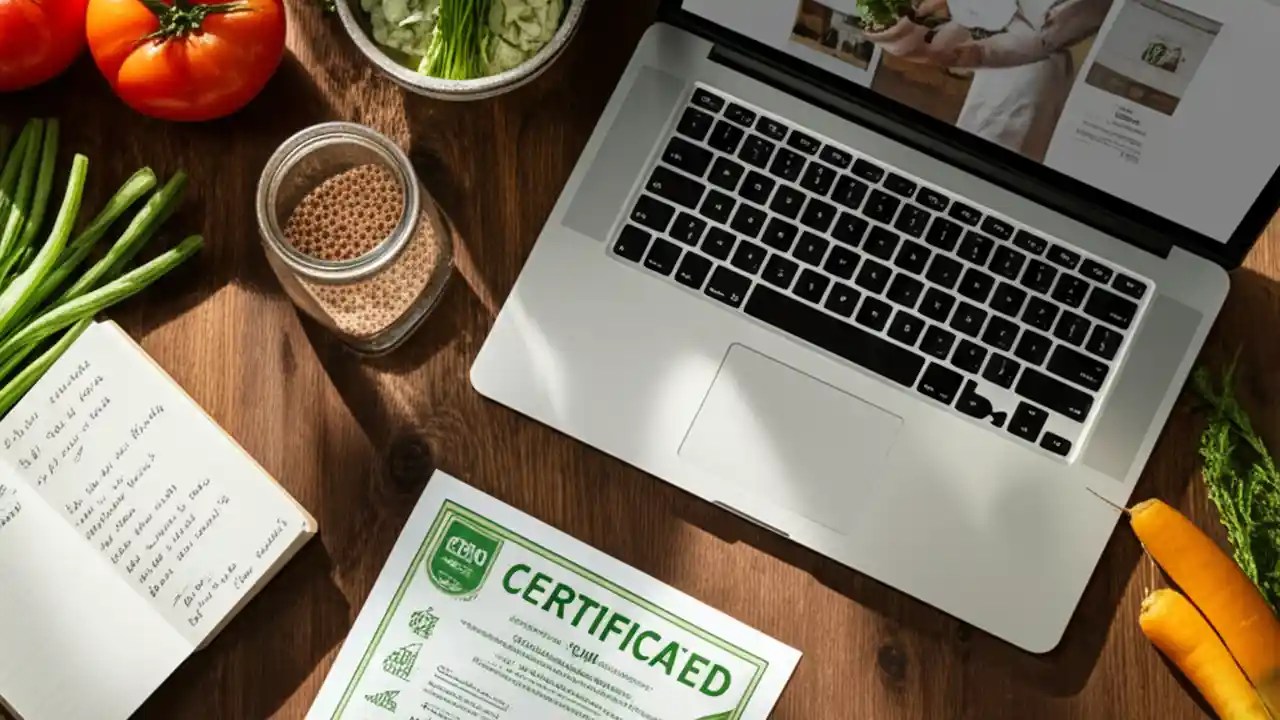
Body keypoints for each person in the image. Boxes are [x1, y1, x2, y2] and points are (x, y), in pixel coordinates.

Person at [863, 0, 1113, 160]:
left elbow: (1044, 29)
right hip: (1008, 63)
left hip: (1028, 75)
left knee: (991, 167)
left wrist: (954, 15)